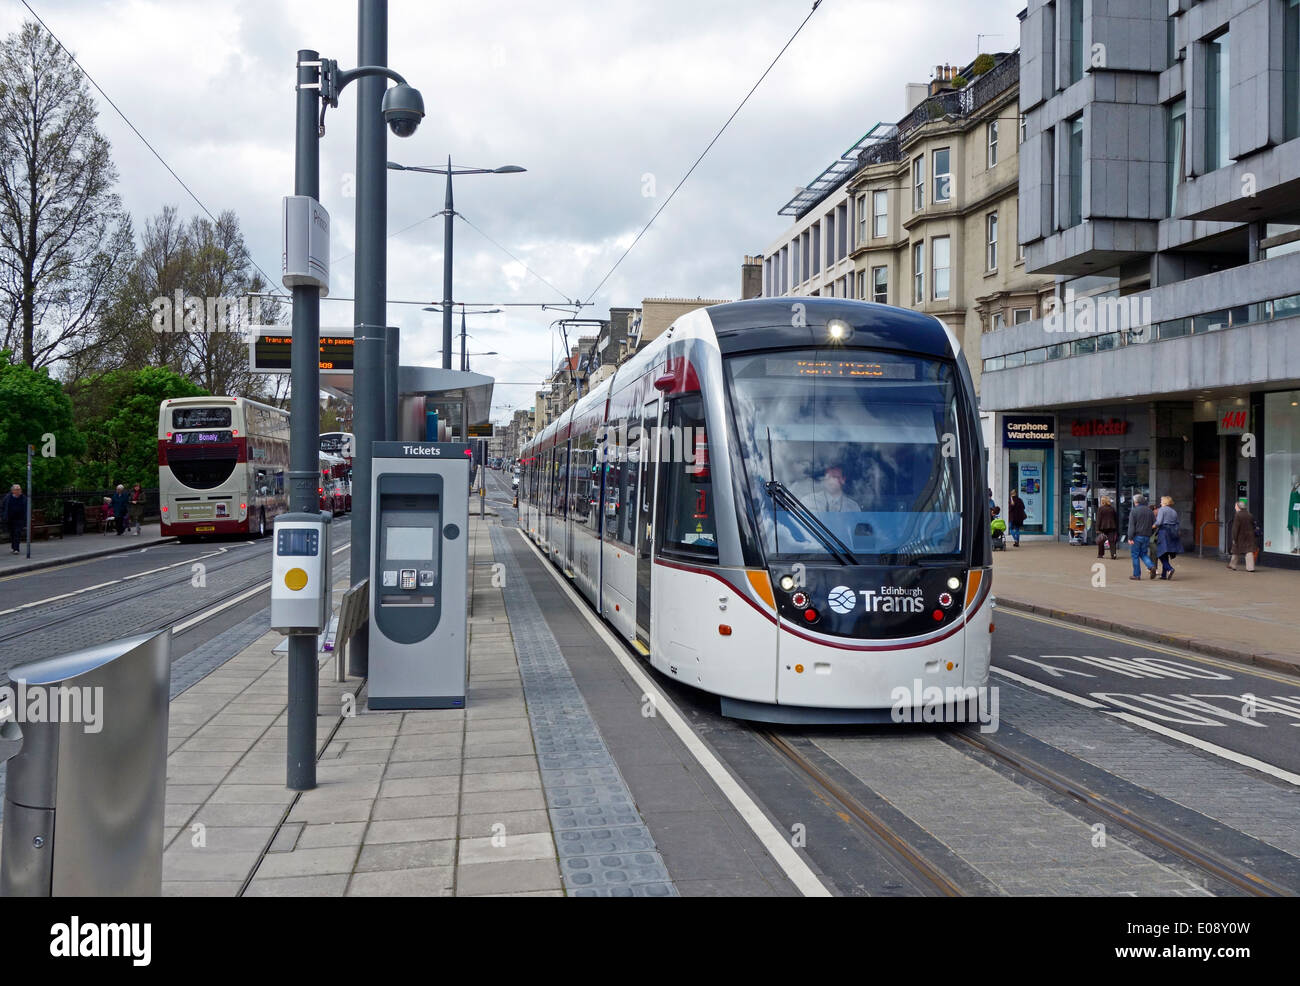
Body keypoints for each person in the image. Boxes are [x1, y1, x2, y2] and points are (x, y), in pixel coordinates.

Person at [1127, 493, 1157, 580]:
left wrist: (1130, 537)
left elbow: (1131, 526)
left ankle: (1136, 575)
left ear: (1136, 502)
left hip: (1137, 536)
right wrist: (1150, 533)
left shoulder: (1134, 511)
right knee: (1143, 553)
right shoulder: (1149, 511)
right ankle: (1151, 566)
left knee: (1135, 555)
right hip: (1146, 536)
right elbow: (1154, 524)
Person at [1153, 495, 1182, 579]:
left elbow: (1159, 522)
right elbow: (1177, 522)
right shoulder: (1173, 511)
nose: (1160, 502)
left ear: (1165, 502)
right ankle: (1163, 575)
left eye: (1161, 501)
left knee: (1160, 553)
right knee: (1165, 552)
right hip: (1173, 532)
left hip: (1164, 532)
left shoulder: (1162, 509)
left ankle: (1169, 568)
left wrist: (1152, 526)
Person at [1227, 499, 1259, 572]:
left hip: (1240, 536)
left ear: (1238, 507)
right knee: (1249, 551)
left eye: (1235, 506)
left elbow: (1235, 528)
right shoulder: (1249, 514)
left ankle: (1233, 565)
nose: (1235, 507)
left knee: (1236, 550)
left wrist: (1234, 538)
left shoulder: (1238, 515)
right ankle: (1250, 568)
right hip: (1250, 536)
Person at [2, 483, 27, 554]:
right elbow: (3, 507)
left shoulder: (24, 498)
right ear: (13, 491)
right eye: (17, 489)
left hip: (20, 519)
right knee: (12, 533)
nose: (19, 491)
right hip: (10, 519)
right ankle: (13, 547)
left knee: (17, 533)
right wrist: (3, 515)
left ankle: (16, 549)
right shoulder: (7, 497)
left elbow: (27, 508)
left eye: (19, 489)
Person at [1095, 496, 1119, 560]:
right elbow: (1116, 518)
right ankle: (1113, 554)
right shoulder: (1112, 508)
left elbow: (1098, 519)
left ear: (1103, 501)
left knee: (1101, 541)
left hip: (1102, 528)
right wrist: (1116, 527)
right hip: (1112, 527)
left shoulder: (1100, 509)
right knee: (1112, 542)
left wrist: (1097, 529)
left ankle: (1100, 554)